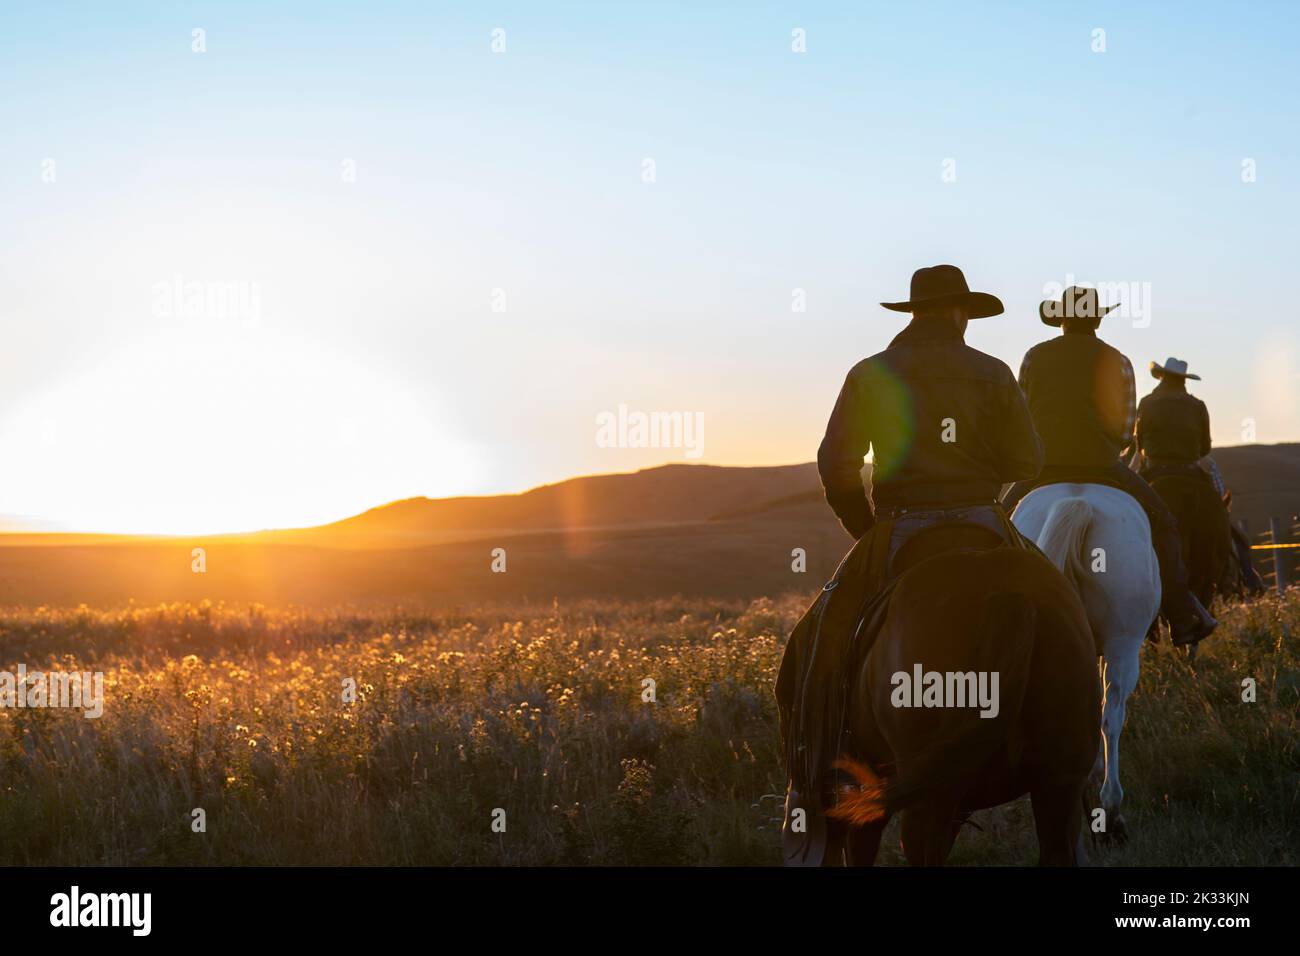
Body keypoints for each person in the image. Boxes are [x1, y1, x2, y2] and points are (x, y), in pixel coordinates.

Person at [1001, 290, 1217, 645]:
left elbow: (1023, 418)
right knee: (1164, 524)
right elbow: (1124, 428)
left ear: (1061, 320)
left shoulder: (1033, 356)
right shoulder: (1117, 361)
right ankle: (1182, 614)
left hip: (1044, 468)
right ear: (1097, 320)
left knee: (999, 521)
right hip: (1102, 466)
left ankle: (995, 616)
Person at [817, 264, 1043, 550]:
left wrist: (865, 530)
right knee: (1052, 585)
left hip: (900, 523)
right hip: (982, 517)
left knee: (835, 596)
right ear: (959, 313)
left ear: (914, 313)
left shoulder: (869, 373)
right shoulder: (995, 372)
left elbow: (836, 463)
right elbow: (1027, 461)